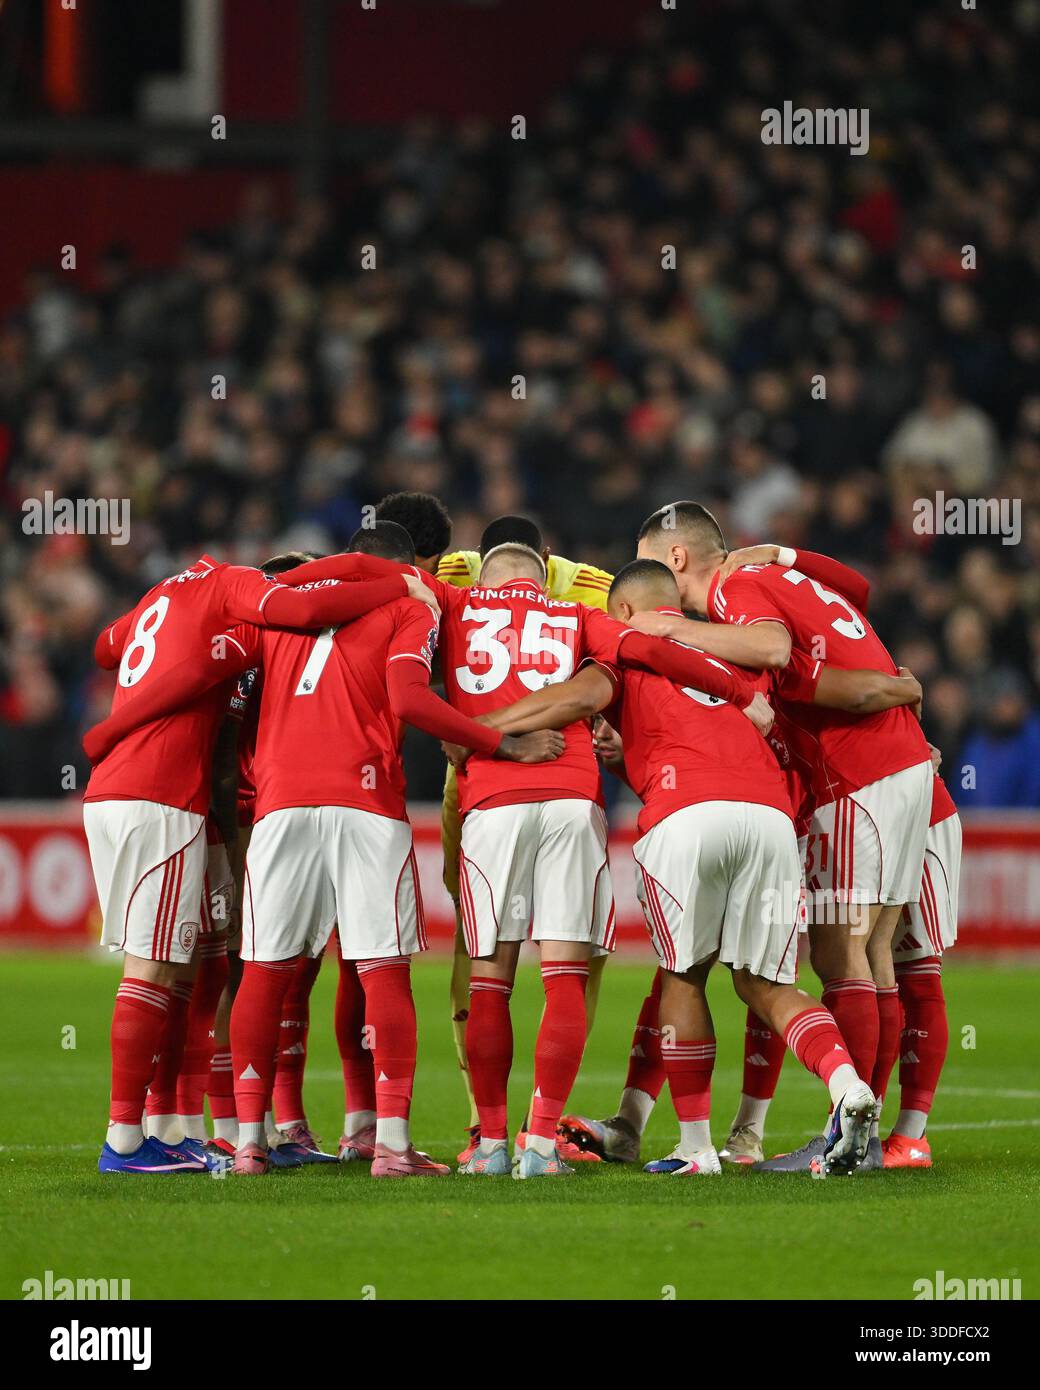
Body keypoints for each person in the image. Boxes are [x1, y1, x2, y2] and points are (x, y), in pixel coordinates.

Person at [469, 559, 883, 1176]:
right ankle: (847, 1087)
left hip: (686, 814)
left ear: (626, 612)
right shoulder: (735, 646)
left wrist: (476, 727)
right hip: (769, 817)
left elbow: (582, 695)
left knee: (682, 977)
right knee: (764, 985)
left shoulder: (627, 648)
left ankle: (695, 1149)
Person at [85, 549, 430, 1175]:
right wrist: (395, 586)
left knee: (211, 968)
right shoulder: (238, 594)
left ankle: (191, 1126)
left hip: (189, 799)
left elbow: (112, 648)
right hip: (178, 797)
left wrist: (112, 726)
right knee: (171, 968)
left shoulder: (165, 595)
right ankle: (134, 1139)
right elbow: (300, 607)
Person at [632, 507, 933, 1172]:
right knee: (875, 951)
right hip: (897, 763)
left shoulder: (732, 591)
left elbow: (771, 650)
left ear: (676, 560)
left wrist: (671, 627)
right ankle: (867, 1132)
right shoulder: (770, 574)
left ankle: (853, 1133)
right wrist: (786, 553)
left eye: (652, 559)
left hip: (857, 772)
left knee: (843, 953)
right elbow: (855, 596)